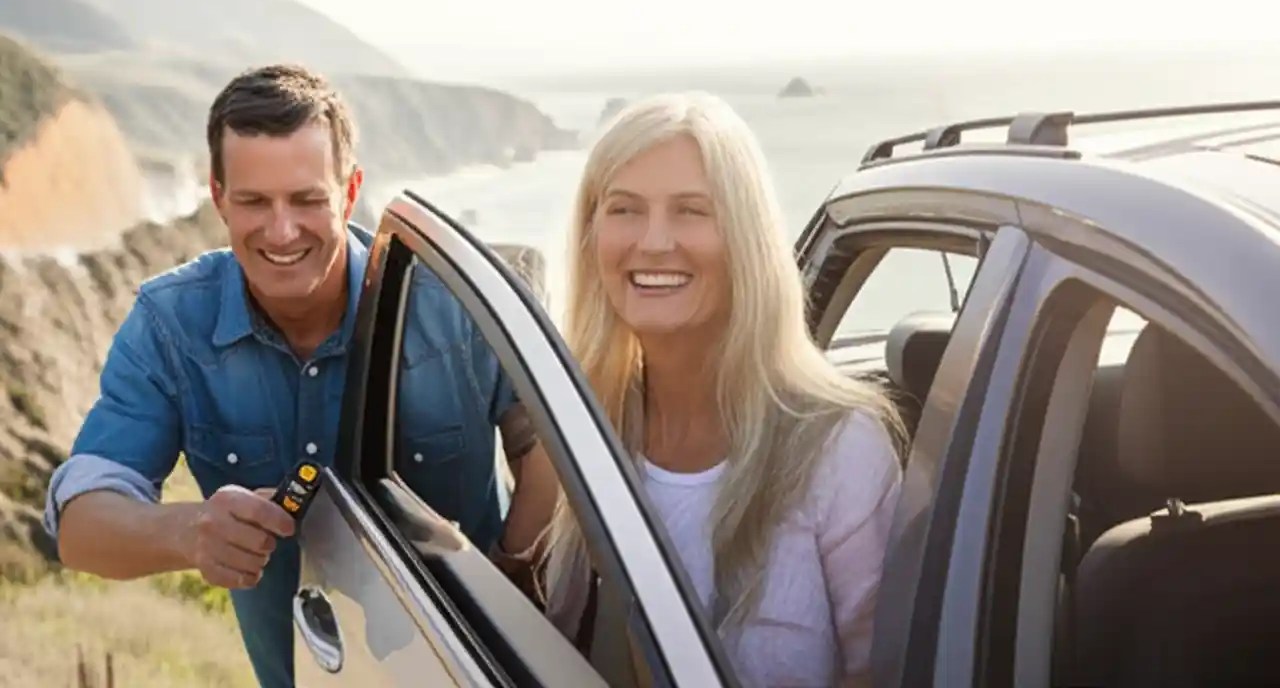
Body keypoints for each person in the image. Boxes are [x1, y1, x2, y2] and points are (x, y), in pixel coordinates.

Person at [41, 64, 558, 688]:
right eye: (255, 201)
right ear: (218, 196)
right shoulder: (167, 325)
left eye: (307, 199)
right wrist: (188, 531)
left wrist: (511, 579)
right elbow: (81, 526)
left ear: (349, 190)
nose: (281, 231)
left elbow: (547, 450)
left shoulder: (455, 303)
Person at [541, 92, 906, 687]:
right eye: (625, 209)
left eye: (691, 210)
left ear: (746, 238)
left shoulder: (839, 449)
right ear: (591, 235)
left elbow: (885, 675)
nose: (654, 242)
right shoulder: (587, 426)